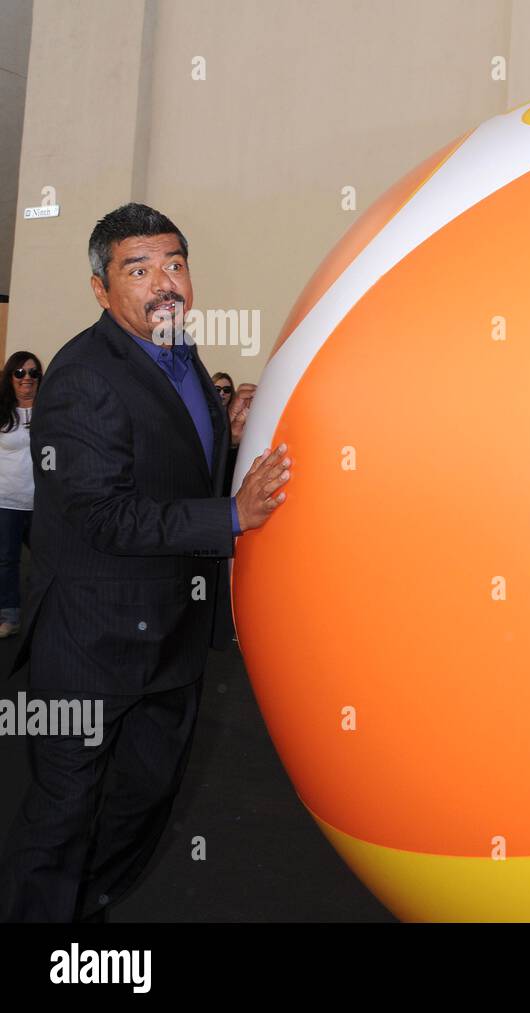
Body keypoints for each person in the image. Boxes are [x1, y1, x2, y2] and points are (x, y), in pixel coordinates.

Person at [0, 202, 292, 922]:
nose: (164, 281)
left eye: (174, 263)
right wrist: (232, 514)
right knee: (60, 821)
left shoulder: (181, 353)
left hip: (172, 641)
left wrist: (222, 431)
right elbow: (103, 511)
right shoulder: (79, 377)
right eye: (139, 268)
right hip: (90, 644)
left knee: (142, 805)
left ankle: (84, 916)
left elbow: (170, 460)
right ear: (102, 288)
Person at [0, 351, 42, 638]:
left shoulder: (51, 411)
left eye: (32, 373)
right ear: (10, 377)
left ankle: (46, 616)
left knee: (48, 562)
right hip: (7, 501)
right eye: (19, 373)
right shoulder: (2, 413)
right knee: (6, 561)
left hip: (44, 504)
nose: (26, 378)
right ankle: (10, 616)